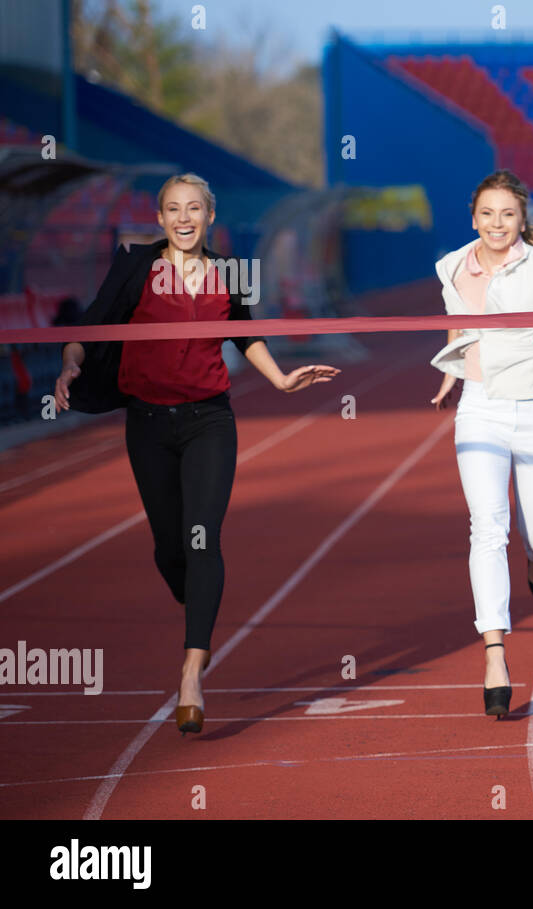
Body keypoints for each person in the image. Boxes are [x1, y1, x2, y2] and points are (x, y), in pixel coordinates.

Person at [53, 173, 339, 735]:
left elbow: (244, 334)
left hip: (210, 421)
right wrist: (70, 363)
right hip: (149, 423)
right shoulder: (136, 266)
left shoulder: (230, 276)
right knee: (169, 551)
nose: (184, 218)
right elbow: (90, 323)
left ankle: (192, 671)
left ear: (211, 217)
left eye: (194, 209)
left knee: (202, 536)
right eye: (173, 209)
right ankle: (200, 608)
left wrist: (280, 379)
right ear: (160, 219)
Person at [430, 169, 533, 719]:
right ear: (474, 218)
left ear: (522, 220)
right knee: (487, 527)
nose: (498, 224)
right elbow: (458, 326)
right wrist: (451, 374)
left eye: (508, 215)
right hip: (482, 408)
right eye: (488, 214)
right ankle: (495, 653)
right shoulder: (453, 266)